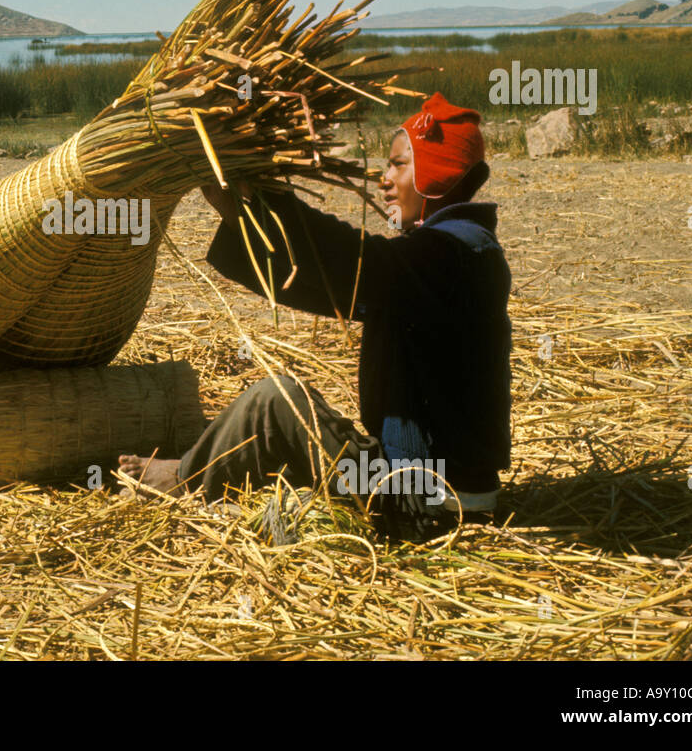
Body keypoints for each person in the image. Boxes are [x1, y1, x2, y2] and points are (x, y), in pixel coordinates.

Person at [118, 93, 512, 541]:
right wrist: (241, 218)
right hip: (432, 489)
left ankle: (184, 477)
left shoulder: (455, 253)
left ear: (437, 176)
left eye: (399, 165)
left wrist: (272, 201)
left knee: (277, 403)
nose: (383, 180)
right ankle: (203, 466)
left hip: (422, 502)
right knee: (280, 432)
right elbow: (331, 287)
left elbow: (355, 260)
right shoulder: (451, 253)